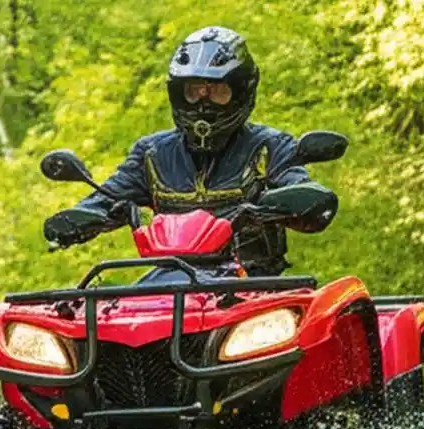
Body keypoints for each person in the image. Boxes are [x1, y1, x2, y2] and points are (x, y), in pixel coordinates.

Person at [43, 26, 338, 277]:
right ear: (178, 93)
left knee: (310, 329)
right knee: (101, 329)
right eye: (194, 90)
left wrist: (302, 199)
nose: (203, 103)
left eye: (217, 91)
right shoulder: (152, 154)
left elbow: (297, 185)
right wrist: (77, 219)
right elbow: (108, 197)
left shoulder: (270, 147)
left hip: (254, 290)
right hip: (172, 284)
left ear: (242, 91)